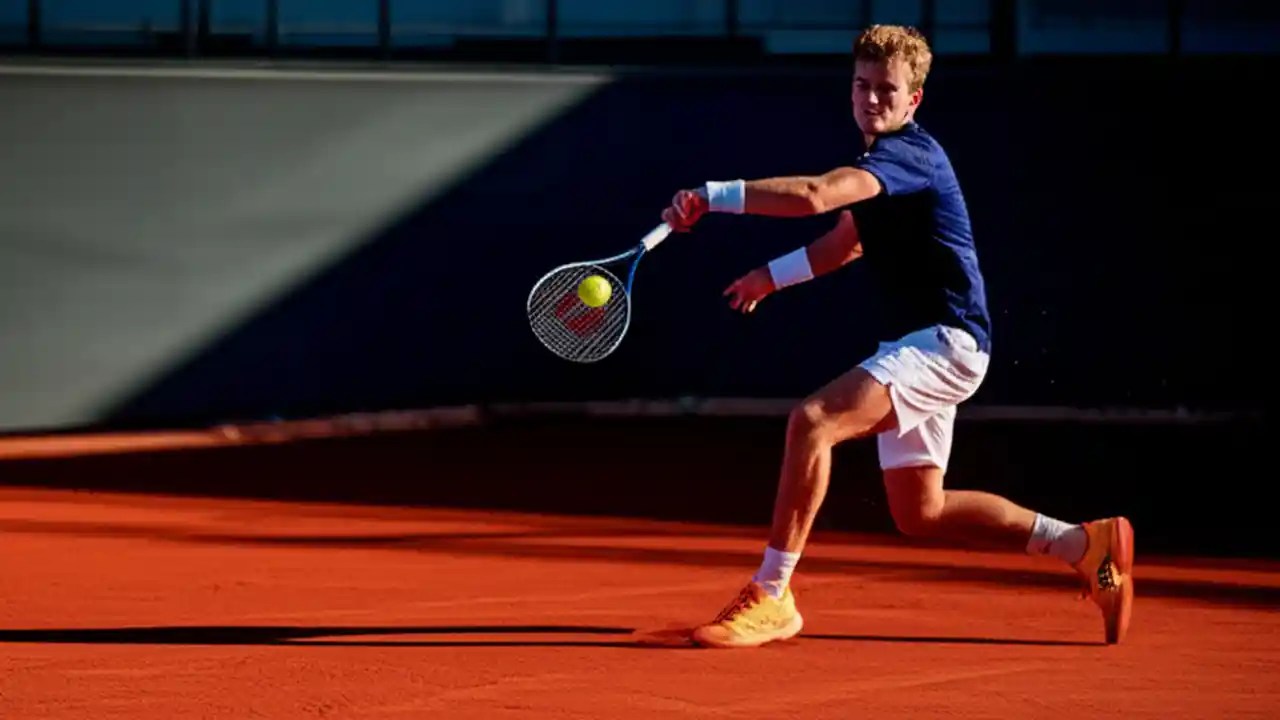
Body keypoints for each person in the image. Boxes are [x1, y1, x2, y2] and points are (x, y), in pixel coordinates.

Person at [660, 24, 1133, 648]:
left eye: (888, 89)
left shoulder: (910, 155)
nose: (873, 99)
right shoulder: (881, 168)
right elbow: (844, 243)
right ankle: (1083, 543)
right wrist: (768, 279)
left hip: (945, 341)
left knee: (813, 421)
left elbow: (815, 196)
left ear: (914, 100)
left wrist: (711, 196)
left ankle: (773, 594)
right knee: (921, 512)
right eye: (862, 85)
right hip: (920, 343)